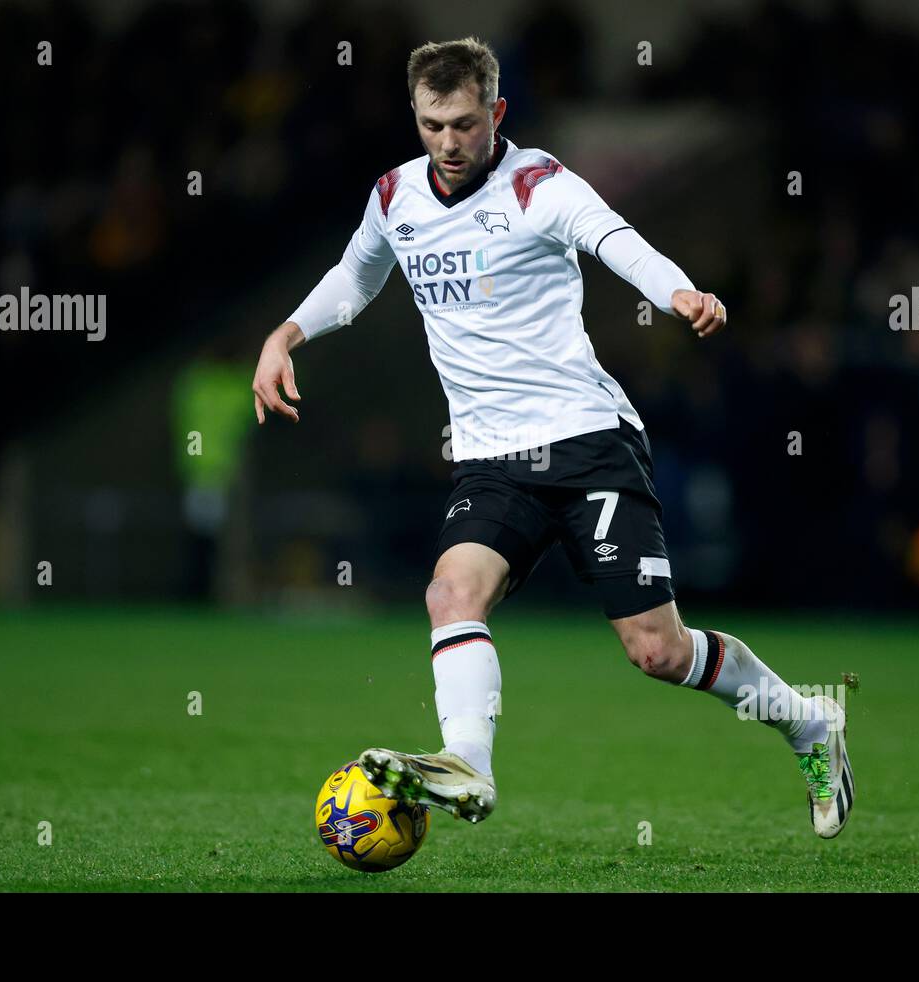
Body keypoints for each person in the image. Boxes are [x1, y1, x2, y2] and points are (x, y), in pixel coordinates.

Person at [252, 37, 853, 838]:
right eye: (432, 124)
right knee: (450, 593)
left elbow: (616, 238)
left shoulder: (537, 184)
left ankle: (809, 723)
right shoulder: (394, 195)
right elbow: (358, 274)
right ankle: (467, 763)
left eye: (465, 123)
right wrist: (286, 334)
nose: (449, 141)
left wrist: (678, 292)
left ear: (495, 112)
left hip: (585, 441)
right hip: (489, 458)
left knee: (657, 652)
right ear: (416, 117)